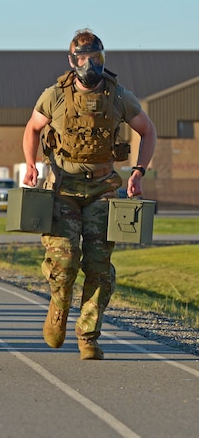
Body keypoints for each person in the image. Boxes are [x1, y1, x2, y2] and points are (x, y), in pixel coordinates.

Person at [22, 29, 157, 360]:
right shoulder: (54, 95)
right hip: (62, 186)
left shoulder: (119, 96)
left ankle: (88, 334)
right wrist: (30, 165)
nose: (89, 65)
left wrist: (138, 171)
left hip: (103, 188)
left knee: (99, 266)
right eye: (82, 59)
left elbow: (147, 130)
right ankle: (58, 308)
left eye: (95, 58)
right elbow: (32, 128)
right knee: (64, 260)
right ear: (72, 61)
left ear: (102, 58)